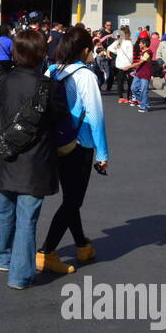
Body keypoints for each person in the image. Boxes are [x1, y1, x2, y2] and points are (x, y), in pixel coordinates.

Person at [0, 28, 69, 287]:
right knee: (27, 216)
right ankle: (20, 274)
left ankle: (4, 258)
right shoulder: (49, 86)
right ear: (40, 53)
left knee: (5, 209)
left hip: (8, 153)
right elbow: (60, 118)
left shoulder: (5, 80)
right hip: (36, 159)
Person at [41, 25, 110, 268]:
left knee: (71, 198)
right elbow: (95, 116)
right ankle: (46, 251)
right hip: (79, 144)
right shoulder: (85, 75)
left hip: (53, 142)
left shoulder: (52, 71)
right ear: (84, 50)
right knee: (73, 201)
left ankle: (82, 245)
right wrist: (102, 153)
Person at [111, 28, 135, 103]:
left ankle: (121, 97)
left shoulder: (118, 41)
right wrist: (130, 64)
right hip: (128, 65)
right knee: (130, 82)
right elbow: (131, 55)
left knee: (120, 82)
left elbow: (110, 48)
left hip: (119, 64)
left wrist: (117, 52)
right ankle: (129, 97)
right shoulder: (129, 42)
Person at [130, 34, 153, 112]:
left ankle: (144, 106)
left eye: (140, 43)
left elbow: (140, 62)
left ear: (145, 44)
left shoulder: (148, 52)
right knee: (133, 88)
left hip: (145, 75)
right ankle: (145, 102)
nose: (139, 44)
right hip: (138, 73)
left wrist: (129, 67)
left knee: (144, 90)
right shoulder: (142, 52)